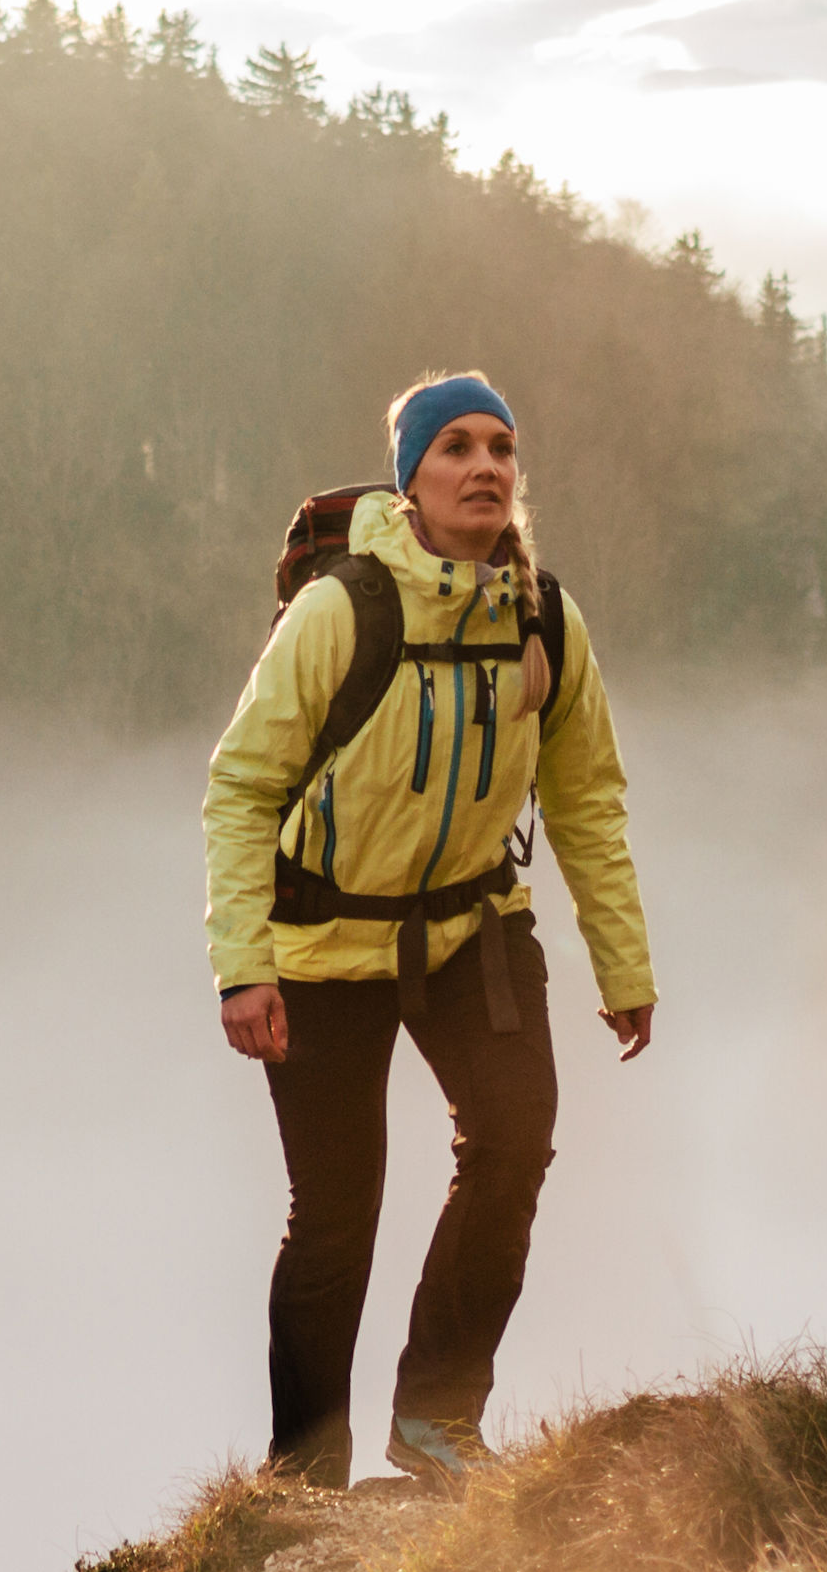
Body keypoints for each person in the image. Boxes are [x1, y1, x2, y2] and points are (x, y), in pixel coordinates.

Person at [206, 373, 658, 1493]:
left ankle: (439, 1416)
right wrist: (243, 968)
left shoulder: (544, 619)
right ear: (411, 478)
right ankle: (305, 1473)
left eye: (502, 446)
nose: (485, 465)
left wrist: (623, 964)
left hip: (473, 929)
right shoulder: (342, 611)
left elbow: (587, 800)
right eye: (455, 446)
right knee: (335, 1218)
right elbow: (242, 788)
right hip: (324, 943)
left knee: (514, 1144)